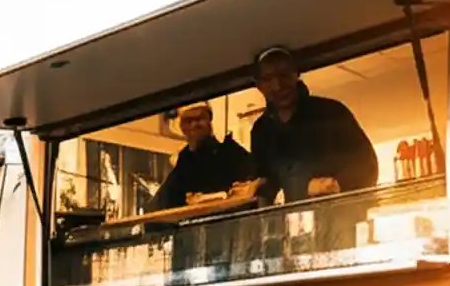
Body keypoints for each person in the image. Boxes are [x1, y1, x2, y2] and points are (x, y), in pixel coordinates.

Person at [249, 47, 378, 204]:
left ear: (296, 73)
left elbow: (367, 166)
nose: (278, 85)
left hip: (340, 214)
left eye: (284, 74)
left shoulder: (332, 113)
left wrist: (335, 184)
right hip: (293, 218)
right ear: (259, 85)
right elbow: (265, 183)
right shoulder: (261, 130)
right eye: (268, 79)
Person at [146, 104, 259, 213]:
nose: (194, 124)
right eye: (189, 121)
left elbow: (254, 184)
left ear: (209, 121)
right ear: (182, 128)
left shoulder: (231, 151)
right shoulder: (184, 161)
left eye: (199, 119)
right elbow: (164, 202)